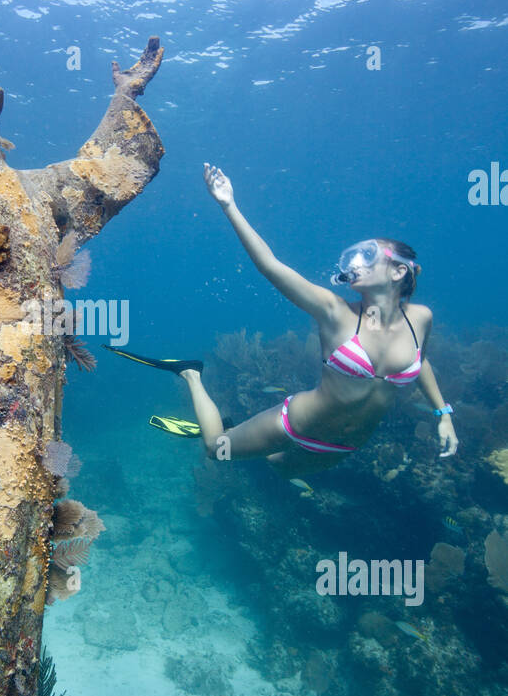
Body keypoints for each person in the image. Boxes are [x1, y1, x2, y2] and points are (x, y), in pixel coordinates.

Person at [105, 165, 458, 477]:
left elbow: (419, 360)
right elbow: (271, 266)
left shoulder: (420, 319)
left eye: (368, 256)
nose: (355, 264)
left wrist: (443, 413)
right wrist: (229, 205)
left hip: (342, 448)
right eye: (355, 258)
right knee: (217, 450)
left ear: (398, 271)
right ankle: (192, 375)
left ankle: (237, 429)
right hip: (294, 425)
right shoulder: (334, 311)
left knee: (281, 469)